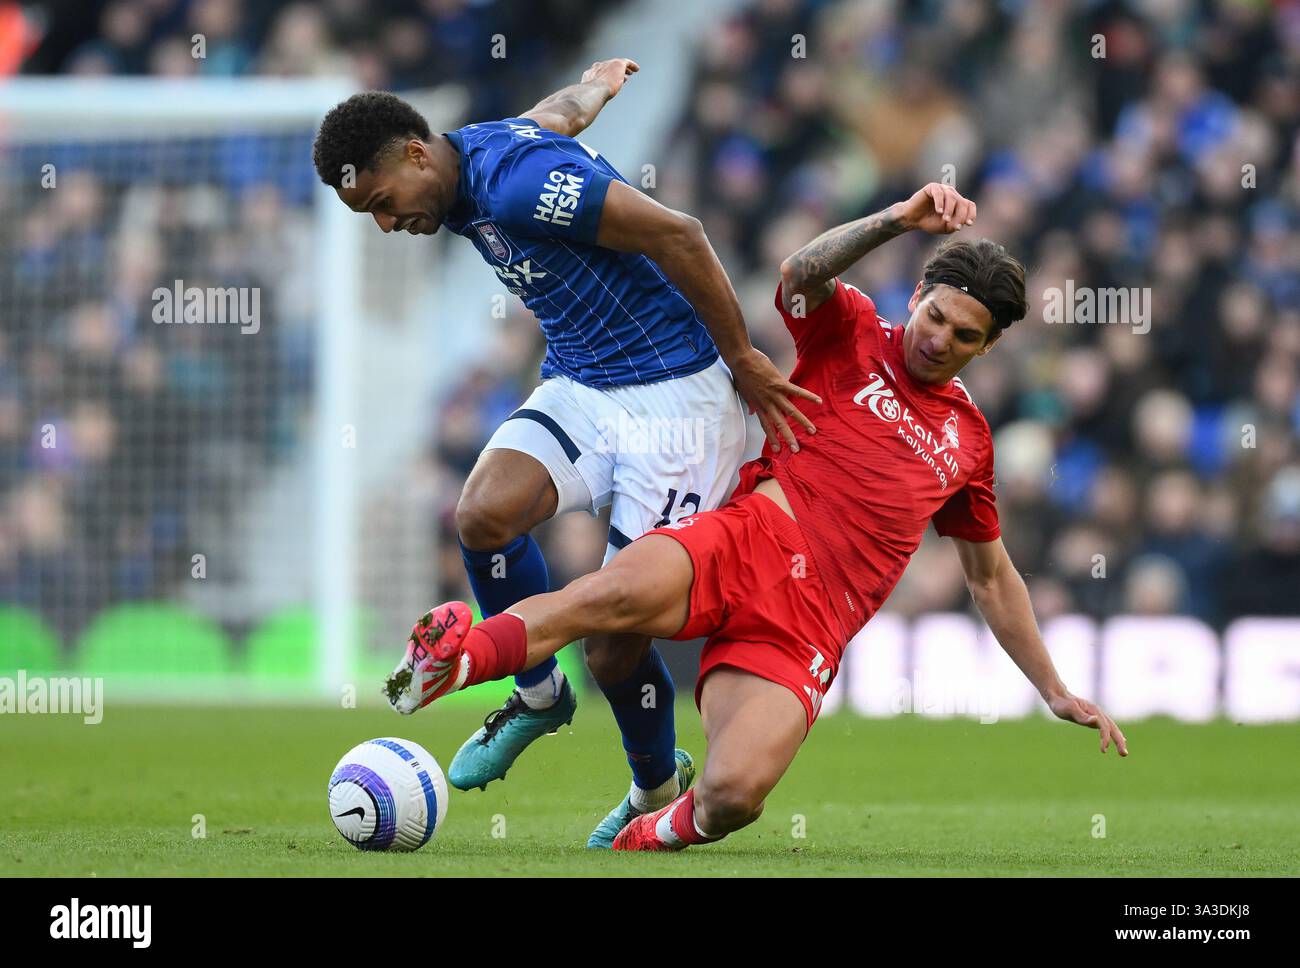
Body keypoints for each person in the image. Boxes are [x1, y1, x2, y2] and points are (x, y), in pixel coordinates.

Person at [384, 182, 1130, 852]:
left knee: (734, 796)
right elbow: (801, 274)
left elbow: (992, 578)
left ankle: (653, 828)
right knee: (605, 602)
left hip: (808, 625)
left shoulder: (968, 442)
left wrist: (1053, 687)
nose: (940, 340)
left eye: (965, 336)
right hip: (744, 538)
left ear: (990, 344)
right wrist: (897, 219)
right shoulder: (853, 333)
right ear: (918, 296)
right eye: (936, 316)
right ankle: (457, 661)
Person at [312, 59, 819, 847]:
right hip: (584, 379)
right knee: (482, 513)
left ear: (415, 156)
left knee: (616, 647)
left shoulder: (514, 182)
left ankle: (654, 786)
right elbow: (554, 113)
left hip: (678, 399)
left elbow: (678, 233)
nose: (385, 224)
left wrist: (746, 359)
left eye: (381, 204)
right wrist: (594, 85)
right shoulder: (473, 161)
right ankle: (541, 695)